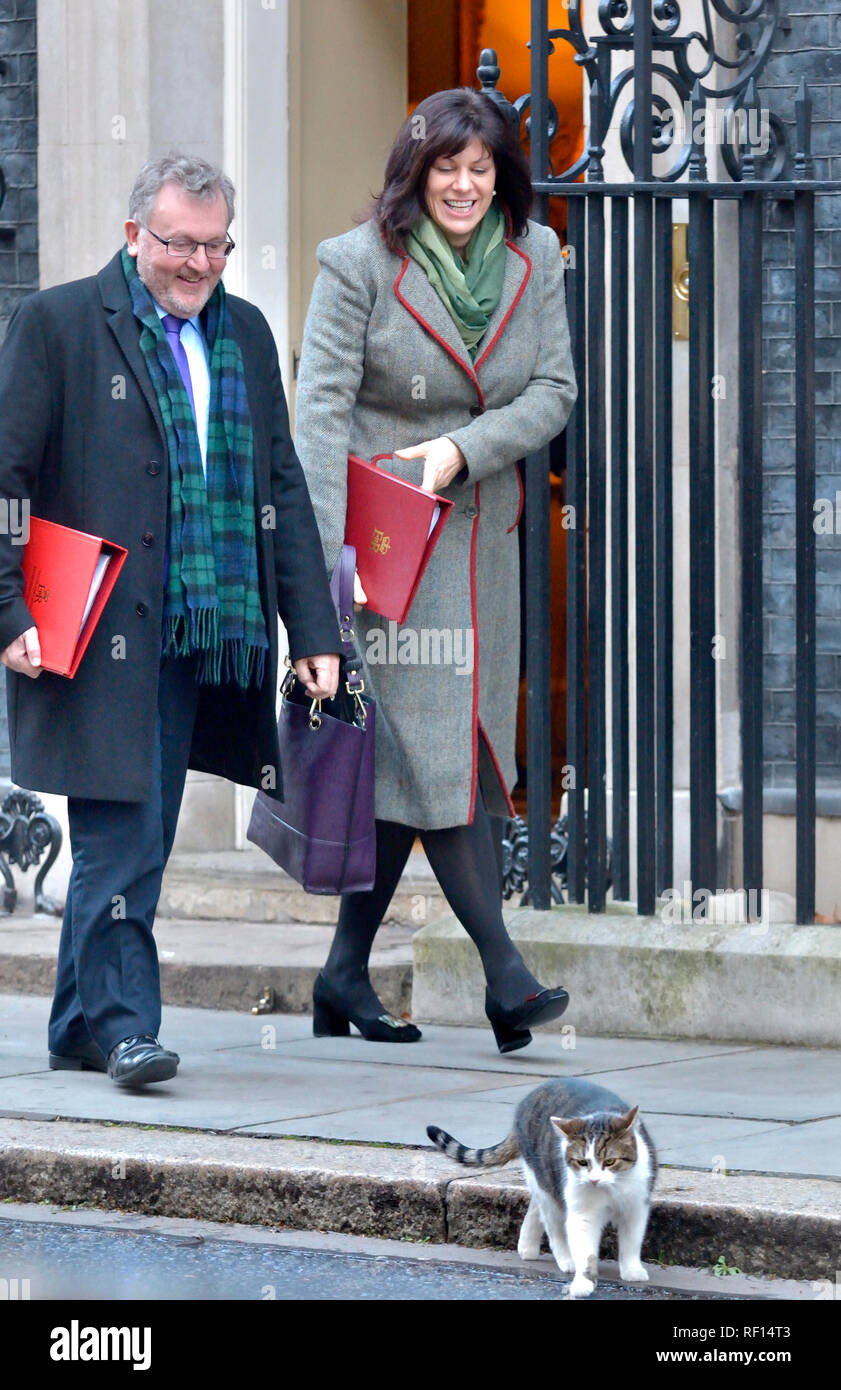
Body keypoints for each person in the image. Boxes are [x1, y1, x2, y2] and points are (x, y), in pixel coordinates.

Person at [0, 153, 340, 1086]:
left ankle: (76, 1020)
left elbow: (280, 485)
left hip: (203, 626)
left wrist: (313, 632)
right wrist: (5, 611)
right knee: (125, 824)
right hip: (90, 626)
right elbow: (4, 479)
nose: (196, 263)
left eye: (213, 245)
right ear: (131, 237)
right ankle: (125, 1027)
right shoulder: (59, 323)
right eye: (177, 243)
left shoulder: (249, 336)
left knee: (135, 821)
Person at [294, 89, 577, 1053]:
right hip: (381, 560)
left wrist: (463, 449)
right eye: (446, 167)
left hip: (481, 555)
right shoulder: (355, 262)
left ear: (501, 177)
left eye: (481, 168)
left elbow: (552, 391)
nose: (463, 185)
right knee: (429, 760)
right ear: (414, 172)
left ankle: (340, 975)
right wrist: (320, 586)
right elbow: (320, 417)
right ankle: (506, 977)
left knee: (420, 763)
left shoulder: (536, 259)